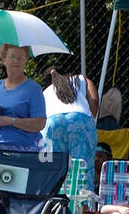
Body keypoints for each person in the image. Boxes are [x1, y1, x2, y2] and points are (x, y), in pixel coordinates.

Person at [42, 64, 99, 193]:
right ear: (67, 73)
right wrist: (88, 121)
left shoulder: (45, 92)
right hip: (80, 120)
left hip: (52, 122)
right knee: (82, 170)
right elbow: (94, 102)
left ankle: (53, 208)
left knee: (53, 170)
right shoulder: (82, 79)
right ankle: (81, 209)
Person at [0, 44, 46, 156]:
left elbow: (40, 123)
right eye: (12, 56)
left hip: (22, 152)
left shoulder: (33, 89)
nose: (16, 61)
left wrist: (10, 121)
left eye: (20, 57)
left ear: (26, 60)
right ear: (3, 58)